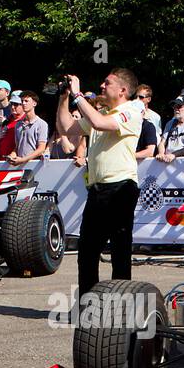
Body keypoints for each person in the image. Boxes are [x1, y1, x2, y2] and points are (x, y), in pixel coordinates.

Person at [55, 68, 144, 295]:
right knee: (87, 250)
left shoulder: (132, 110)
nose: (102, 86)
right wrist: (64, 98)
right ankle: (88, 303)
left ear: (123, 90)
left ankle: (122, 304)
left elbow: (100, 123)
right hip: (97, 189)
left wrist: (78, 96)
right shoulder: (103, 112)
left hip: (121, 187)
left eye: (107, 83)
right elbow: (67, 127)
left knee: (119, 250)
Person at [8, 92, 49, 165]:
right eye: (22, 101)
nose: (23, 103)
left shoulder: (42, 124)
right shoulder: (18, 124)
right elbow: (18, 147)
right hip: (20, 165)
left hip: (34, 165)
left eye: (26, 101)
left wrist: (23, 160)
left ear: (34, 103)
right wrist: (12, 155)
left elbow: (41, 149)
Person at [157, 95, 184, 162]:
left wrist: (174, 155)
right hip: (166, 162)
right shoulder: (170, 123)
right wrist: (161, 153)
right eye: (174, 106)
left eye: (179, 106)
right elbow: (162, 142)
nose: (176, 109)